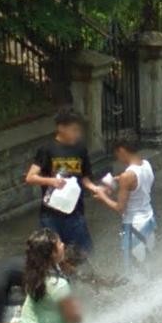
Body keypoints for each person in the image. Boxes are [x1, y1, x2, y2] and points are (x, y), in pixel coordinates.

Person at [25, 107, 100, 256]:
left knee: (84, 253)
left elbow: (85, 178)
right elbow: (30, 177)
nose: (77, 134)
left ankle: (82, 277)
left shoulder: (80, 149)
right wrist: (51, 181)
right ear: (61, 128)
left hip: (75, 212)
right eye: (74, 130)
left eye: (79, 130)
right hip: (50, 215)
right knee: (52, 254)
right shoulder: (47, 149)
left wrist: (95, 189)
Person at [92, 138, 156, 271]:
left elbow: (120, 208)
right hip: (149, 219)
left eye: (116, 154)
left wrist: (103, 196)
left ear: (122, 150)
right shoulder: (146, 164)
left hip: (134, 225)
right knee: (148, 262)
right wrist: (120, 181)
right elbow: (135, 184)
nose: (117, 158)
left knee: (135, 268)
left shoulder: (127, 176)